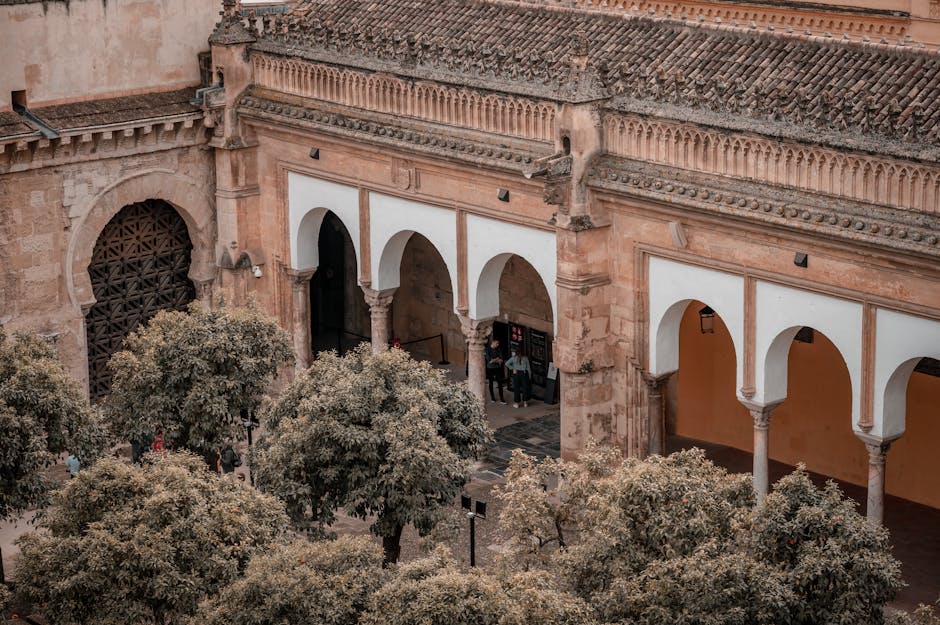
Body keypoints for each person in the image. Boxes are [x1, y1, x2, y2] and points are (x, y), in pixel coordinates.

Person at [484, 338, 506, 404]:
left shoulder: (499, 349)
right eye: (497, 343)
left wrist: (495, 360)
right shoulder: (487, 350)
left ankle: (502, 399)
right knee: (491, 383)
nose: (498, 345)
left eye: (498, 343)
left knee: (500, 383)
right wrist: (497, 359)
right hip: (490, 368)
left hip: (497, 368)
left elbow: (502, 360)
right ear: (493, 343)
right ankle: (492, 398)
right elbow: (489, 361)